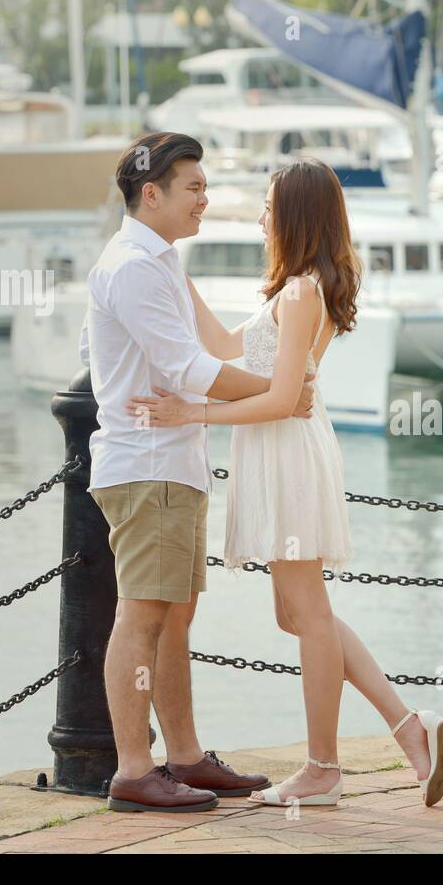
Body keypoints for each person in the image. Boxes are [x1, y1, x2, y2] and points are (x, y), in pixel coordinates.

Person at [128, 157, 443, 808]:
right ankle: (409, 728)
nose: (260, 218)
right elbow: (221, 346)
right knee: (299, 612)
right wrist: (170, 268)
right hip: (278, 455)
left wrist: (193, 411)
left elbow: (281, 399)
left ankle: (323, 767)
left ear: (295, 217)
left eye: (270, 208)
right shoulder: (292, 293)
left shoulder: (302, 294)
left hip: (290, 455)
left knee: (306, 613)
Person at [82, 131, 317, 813]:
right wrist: (282, 390)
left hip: (172, 463)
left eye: (205, 187)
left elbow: (188, 360)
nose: (205, 200)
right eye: (193, 188)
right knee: (144, 615)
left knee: (175, 618)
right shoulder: (132, 266)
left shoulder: (154, 264)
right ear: (150, 194)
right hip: (147, 464)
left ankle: (182, 758)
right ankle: (134, 768)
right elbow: (191, 371)